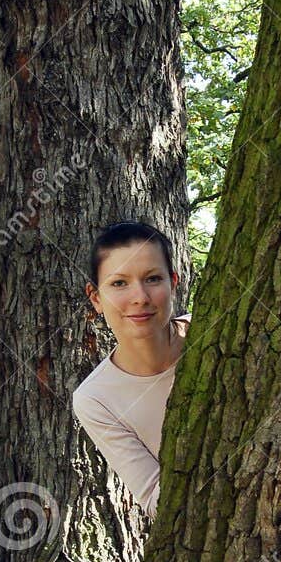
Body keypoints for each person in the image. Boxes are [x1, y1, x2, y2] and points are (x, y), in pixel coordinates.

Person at [72, 220, 189, 519]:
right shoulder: (95, 399)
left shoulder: (218, 332)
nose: (140, 297)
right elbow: (155, 499)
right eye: (119, 283)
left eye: (152, 279)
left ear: (173, 283)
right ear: (96, 297)